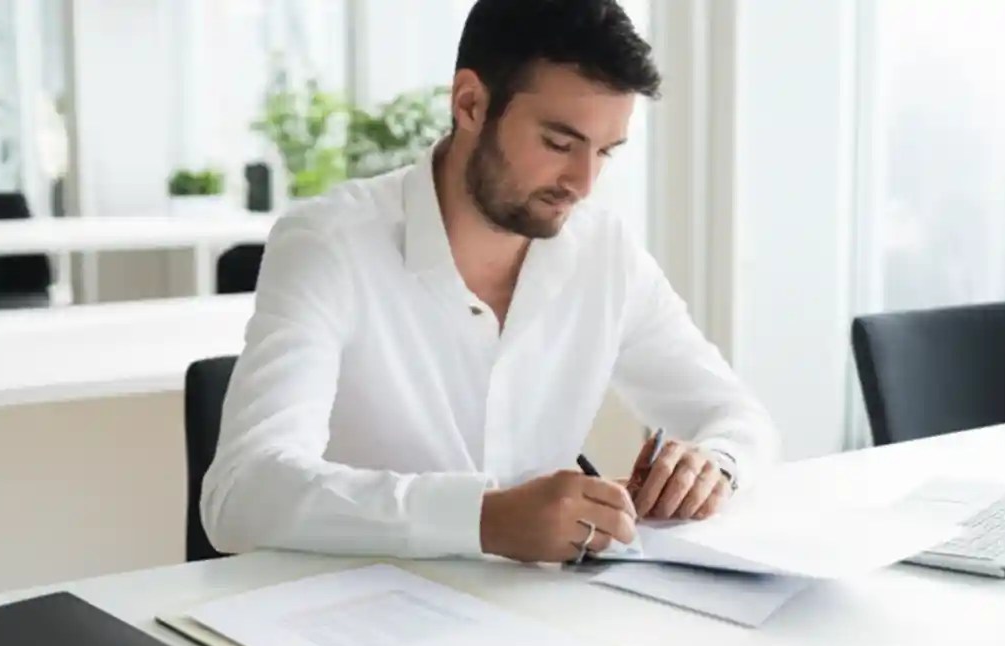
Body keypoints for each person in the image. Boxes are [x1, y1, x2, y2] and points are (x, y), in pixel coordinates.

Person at [201, 0, 780, 563]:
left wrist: (713, 466)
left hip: (540, 622)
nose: (582, 182)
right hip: (357, 622)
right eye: (559, 143)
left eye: (605, 152)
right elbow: (242, 493)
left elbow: (737, 418)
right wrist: (483, 518)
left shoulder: (606, 253)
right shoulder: (330, 244)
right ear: (471, 104)